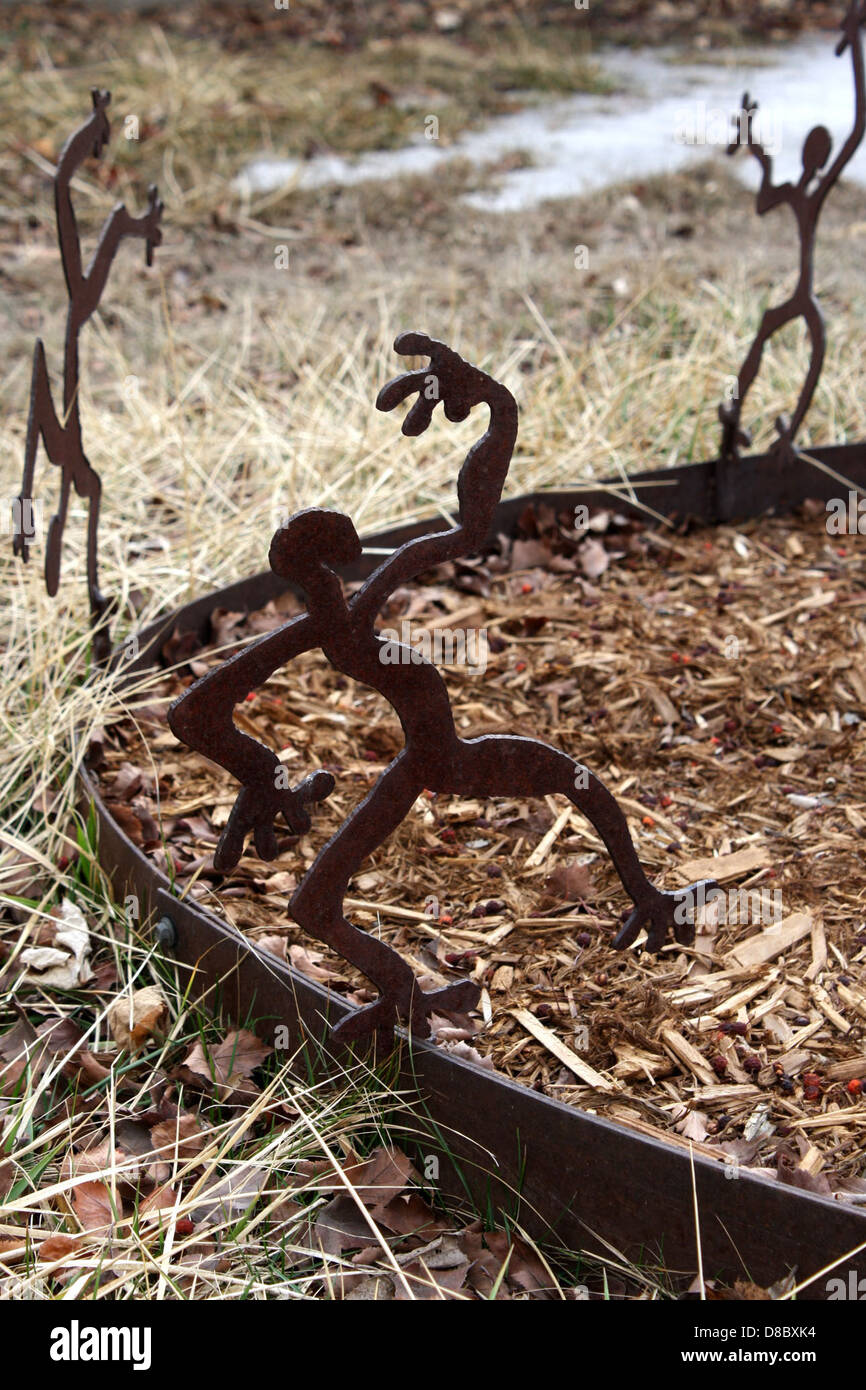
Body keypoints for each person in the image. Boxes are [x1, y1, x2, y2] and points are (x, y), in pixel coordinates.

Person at [169, 334, 713, 1040]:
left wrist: (495, 405)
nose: (327, 583)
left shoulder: (346, 613)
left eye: (323, 572)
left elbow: (472, 525)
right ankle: (403, 994)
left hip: (440, 756)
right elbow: (193, 713)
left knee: (575, 780)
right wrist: (263, 775)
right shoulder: (330, 626)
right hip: (431, 761)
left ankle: (646, 898)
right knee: (316, 904)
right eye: (320, 573)